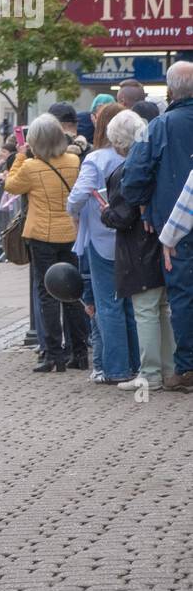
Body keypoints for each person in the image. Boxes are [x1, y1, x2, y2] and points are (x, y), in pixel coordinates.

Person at [123, 60, 193, 391]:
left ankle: (187, 368)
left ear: (170, 92)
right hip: (174, 223)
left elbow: (134, 176)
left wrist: (145, 206)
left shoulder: (160, 127)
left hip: (177, 228)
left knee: (183, 296)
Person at [4, 114, 87, 373]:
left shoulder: (30, 167)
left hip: (42, 236)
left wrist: (19, 155)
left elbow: (11, 185)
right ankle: (80, 353)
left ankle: (53, 355)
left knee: (47, 293)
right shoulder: (74, 162)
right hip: (71, 235)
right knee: (73, 292)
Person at [101, 110, 175, 393]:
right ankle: (170, 368)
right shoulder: (157, 163)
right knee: (163, 309)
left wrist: (105, 213)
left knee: (144, 310)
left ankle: (151, 373)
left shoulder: (127, 170)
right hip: (162, 242)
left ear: (119, 141)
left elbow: (122, 216)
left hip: (137, 248)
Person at [66, 102, 136, 384]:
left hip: (101, 237)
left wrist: (74, 214)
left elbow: (77, 197)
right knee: (129, 303)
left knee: (108, 304)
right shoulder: (134, 157)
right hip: (129, 239)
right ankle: (135, 363)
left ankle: (116, 368)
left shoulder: (97, 160)